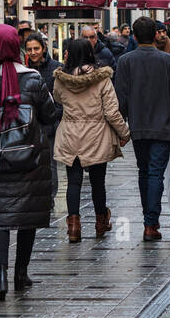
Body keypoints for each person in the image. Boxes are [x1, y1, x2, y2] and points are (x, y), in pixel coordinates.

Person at [0, 23, 58, 300]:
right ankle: (21, 272)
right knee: (27, 216)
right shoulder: (33, 78)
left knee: (0, 220)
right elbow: (50, 114)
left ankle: (0, 277)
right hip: (30, 157)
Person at [115, 17, 170, 241]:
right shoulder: (167, 61)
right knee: (155, 172)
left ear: (134, 36)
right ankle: (151, 222)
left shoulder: (125, 61)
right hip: (163, 125)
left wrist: (121, 127)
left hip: (138, 126)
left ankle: (149, 218)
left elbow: (121, 98)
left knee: (144, 171)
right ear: (156, 34)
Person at [53, 38, 129, 243]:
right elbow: (112, 112)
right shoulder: (102, 78)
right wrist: (124, 133)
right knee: (98, 183)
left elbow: (58, 99)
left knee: (73, 182)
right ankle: (100, 223)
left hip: (70, 134)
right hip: (96, 135)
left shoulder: (61, 79)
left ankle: (74, 227)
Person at [23, 31, 62, 207]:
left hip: (50, 123)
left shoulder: (56, 68)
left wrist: (56, 113)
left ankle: (49, 197)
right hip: (28, 124)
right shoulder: (22, 70)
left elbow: (62, 97)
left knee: (50, 163)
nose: (33, 52)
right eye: (29, 49)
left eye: (36, 48)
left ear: (44, 48)